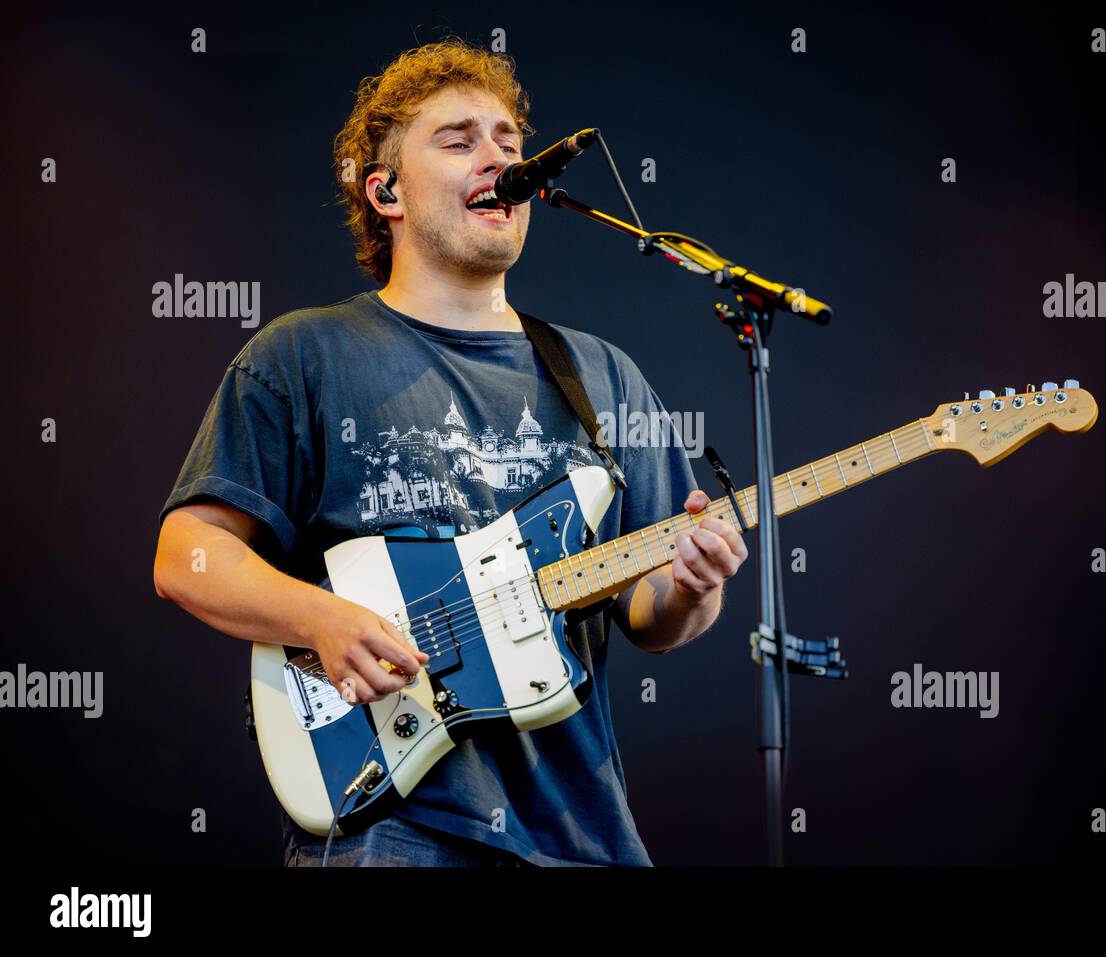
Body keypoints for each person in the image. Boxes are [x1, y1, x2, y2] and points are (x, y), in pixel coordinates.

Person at [152, 38, 748, 867]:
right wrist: (319, 617)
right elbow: (187, 556)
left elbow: (652, 619)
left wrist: (697, 585)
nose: (502, 158)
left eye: (509, 142)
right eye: (460, 140)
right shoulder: (304, 355)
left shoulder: (603, 376)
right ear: (385, 190)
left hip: (582, 834)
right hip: (393, 830)